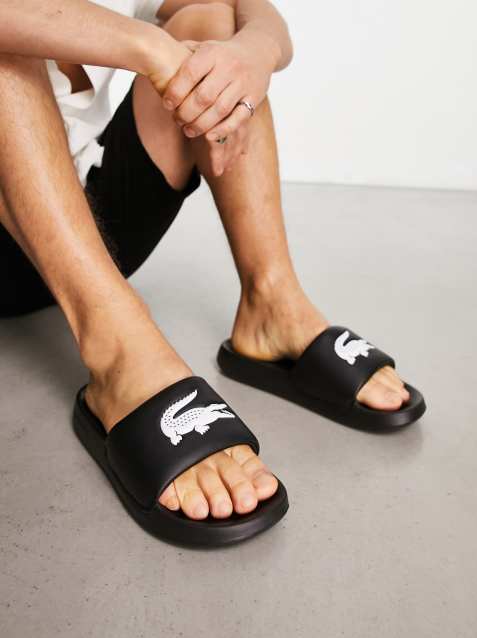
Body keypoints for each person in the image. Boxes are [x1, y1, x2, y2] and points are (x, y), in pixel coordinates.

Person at [0, 0, 424, 547]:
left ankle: (270, 304)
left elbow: (256, 16)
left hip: (90, 231)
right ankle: (120, 352)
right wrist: (147, 45)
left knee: (211, 24)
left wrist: (253, 54)